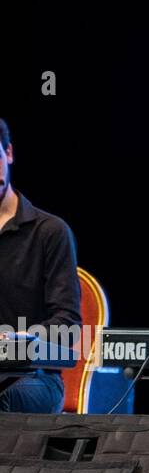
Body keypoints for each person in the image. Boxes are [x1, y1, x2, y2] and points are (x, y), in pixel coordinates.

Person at [0, 117, 82, 414]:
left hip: (36, 378)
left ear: (8, 153)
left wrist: (13, 338)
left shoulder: (50, 231)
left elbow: (68, 325)